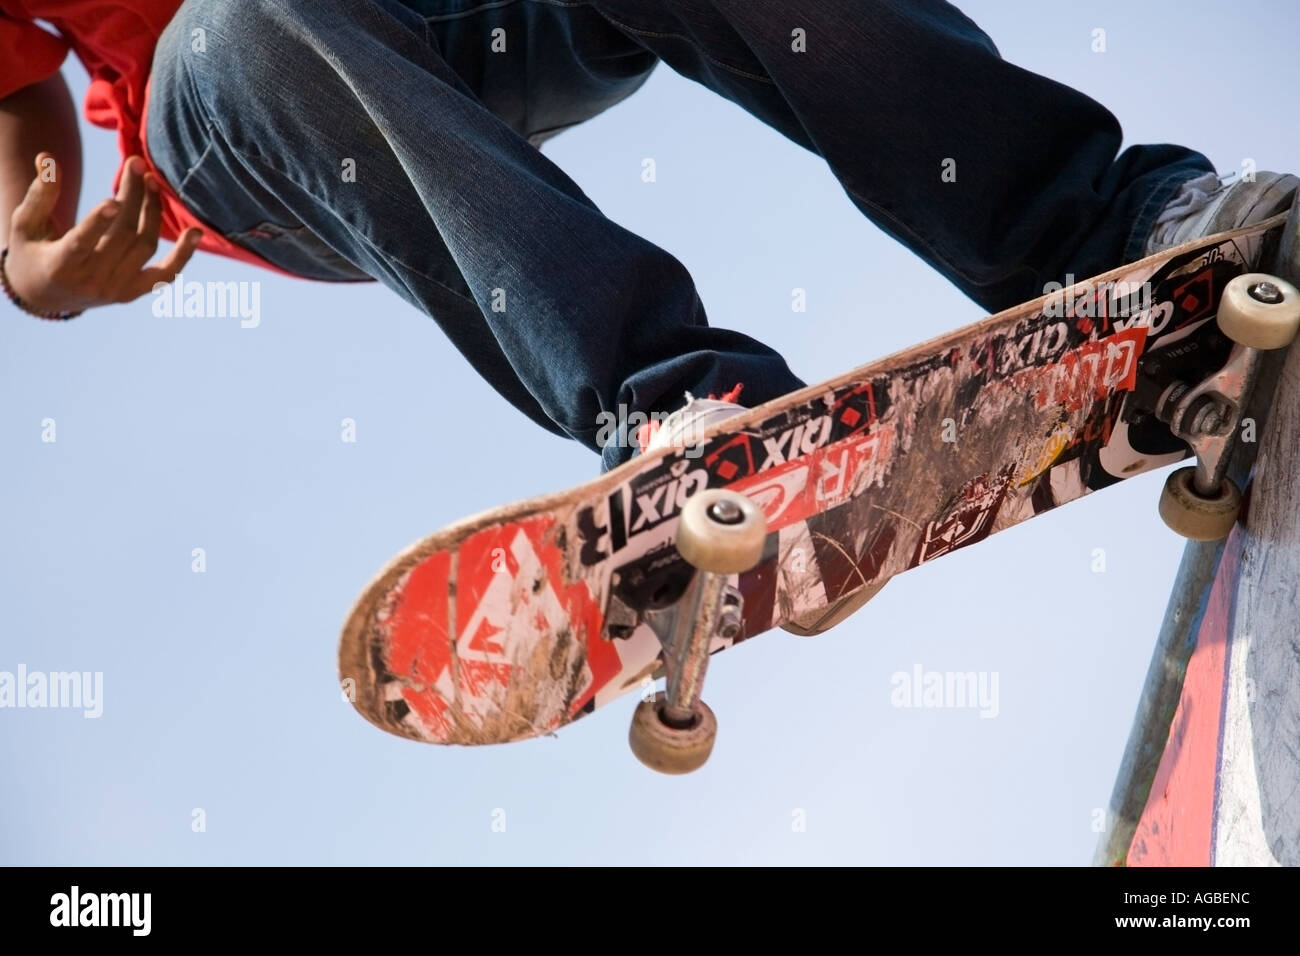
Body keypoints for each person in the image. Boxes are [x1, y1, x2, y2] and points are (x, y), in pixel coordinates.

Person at [3, 0, 1294, 633]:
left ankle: (1113, 231)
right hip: (259, 112)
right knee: (233, 25)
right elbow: (22, 126)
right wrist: (41, 272)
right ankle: (692, 412)